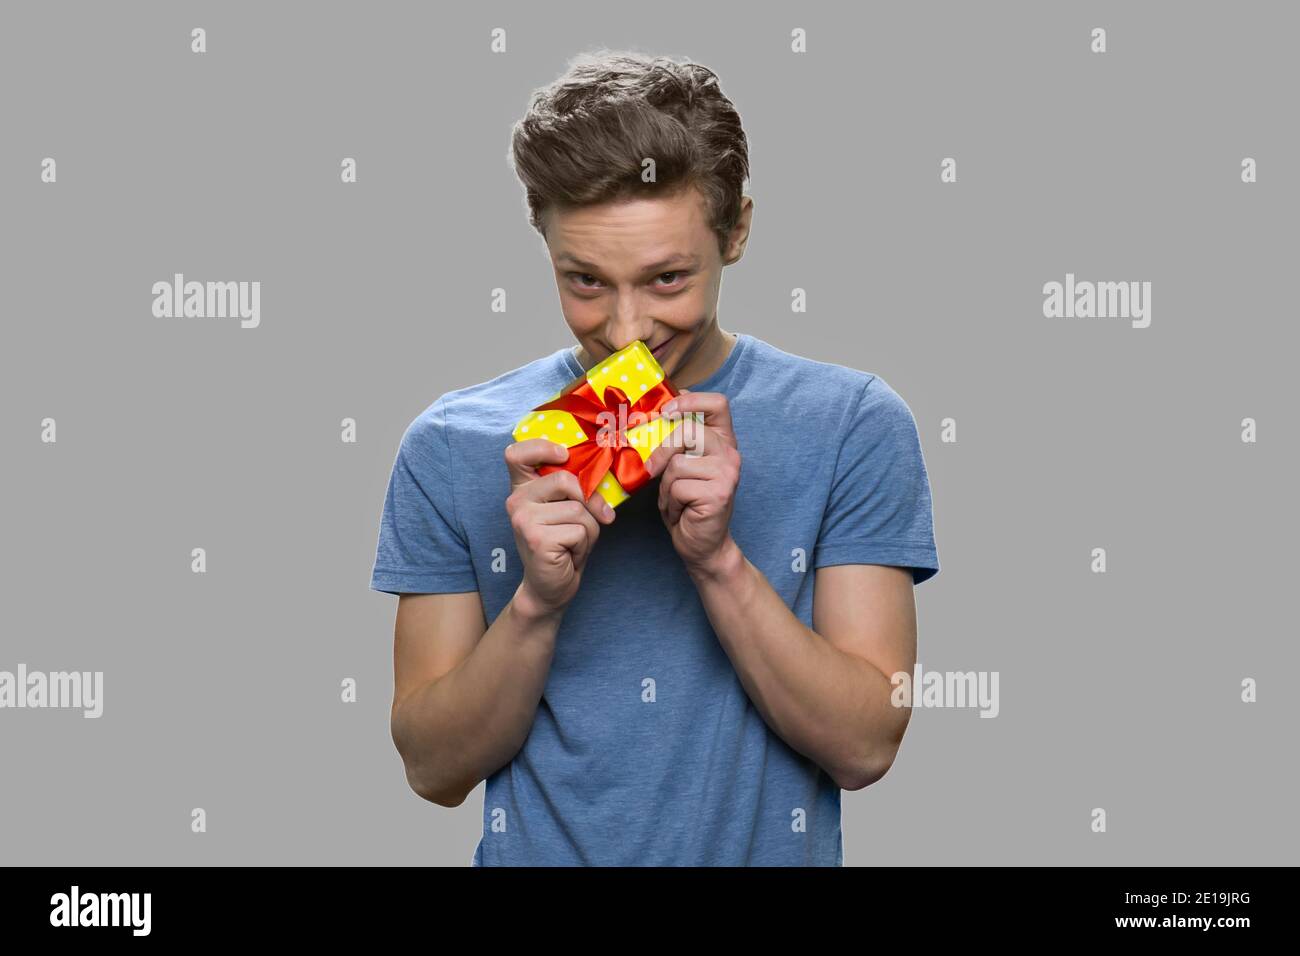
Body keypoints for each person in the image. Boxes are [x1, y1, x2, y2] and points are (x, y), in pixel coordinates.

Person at [370, 50, 939, 866]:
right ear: (543, 243)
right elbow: (433, 769)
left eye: (668, 279)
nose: (626, 329)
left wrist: (717, 564)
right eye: (586, 281)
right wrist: (535, 601)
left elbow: (865, 747)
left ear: (736, 231)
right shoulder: (451, 442)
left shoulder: (852, 423)